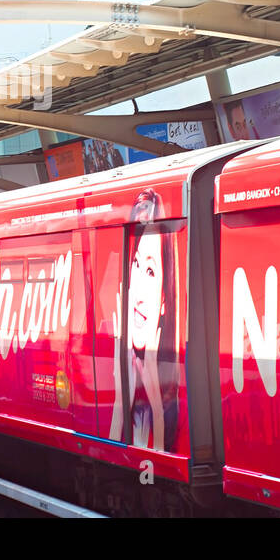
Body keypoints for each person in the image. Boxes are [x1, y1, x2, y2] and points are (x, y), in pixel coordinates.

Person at [109, 189, 179, 452]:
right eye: (136, 265)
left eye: (150, 271)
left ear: (164, 299)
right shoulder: (116, 371)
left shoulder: (177, 398)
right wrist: (120, 399)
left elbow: (155, 472)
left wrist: (157, 410)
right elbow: (110, 464)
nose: (137, 290)